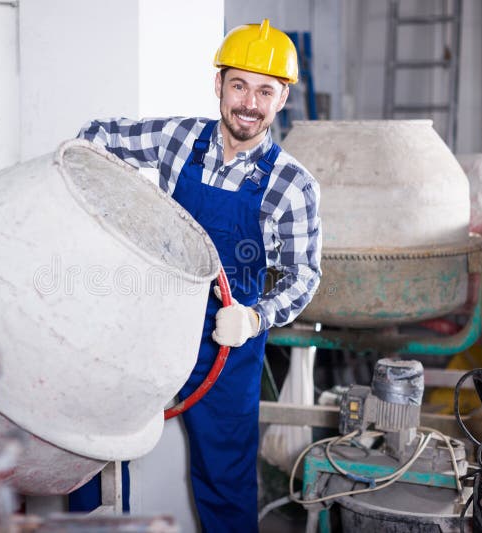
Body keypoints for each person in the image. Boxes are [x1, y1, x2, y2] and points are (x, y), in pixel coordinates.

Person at [76, 18, 321, 532]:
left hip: (229, 344)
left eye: (264, 91)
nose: (249, 103)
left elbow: (303, 276)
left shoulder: (292, 185)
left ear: (281, 100)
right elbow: (93, 137)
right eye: (239, 86)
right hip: (156, 321)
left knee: (224, 477)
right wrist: (109, 209)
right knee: (94, 434)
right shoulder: (176, 138)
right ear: (219, 86)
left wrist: (255, 318)